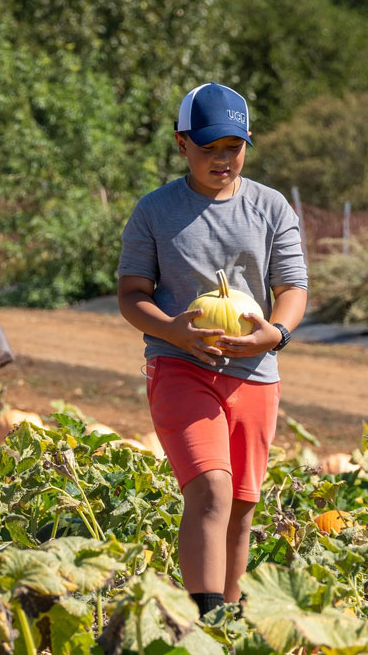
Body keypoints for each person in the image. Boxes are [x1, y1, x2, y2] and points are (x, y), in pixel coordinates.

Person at [117, 83, 308, 617]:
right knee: (210, 490)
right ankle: (203, 621)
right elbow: (132, 295)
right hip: (180, 364)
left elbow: (292, 287)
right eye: (209, 148)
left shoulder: (271, 206)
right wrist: (173, 331)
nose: (222, 159)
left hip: (255, 372)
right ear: (182, 144)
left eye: (233, 147)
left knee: (242, 506)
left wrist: (276, 333)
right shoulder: (155, 210)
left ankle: (228, 618)